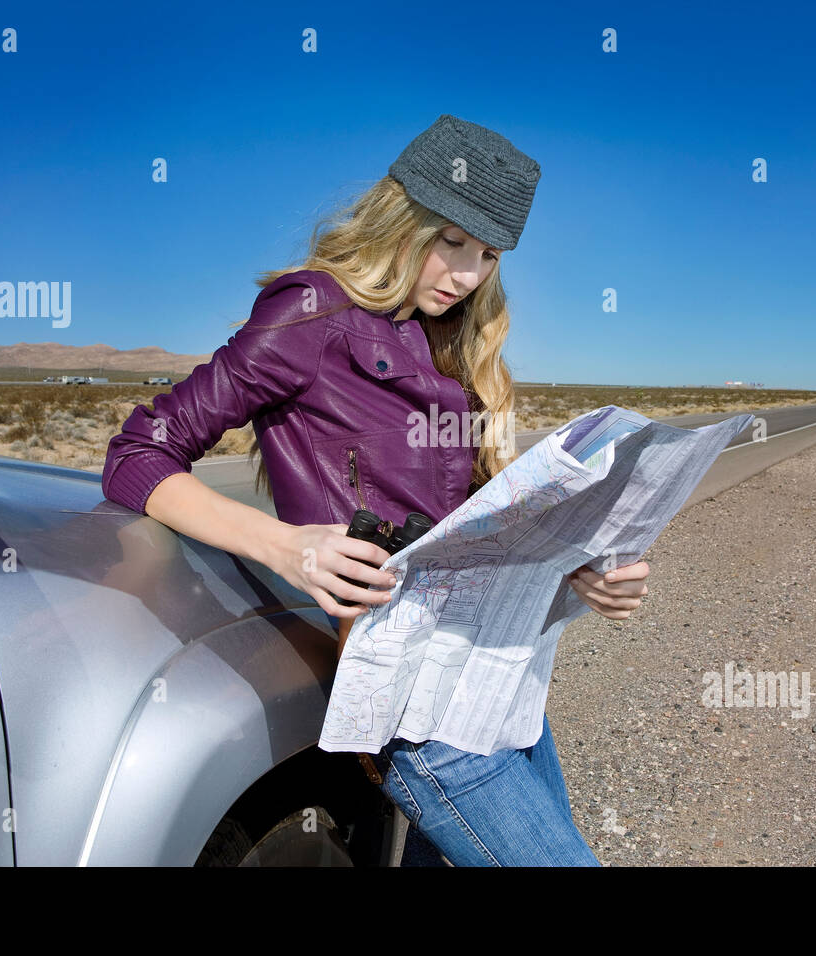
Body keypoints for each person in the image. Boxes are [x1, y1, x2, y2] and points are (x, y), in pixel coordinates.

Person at [101, 114, 650, 866]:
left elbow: (479, 525)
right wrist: (287, 547)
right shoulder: (310, 313)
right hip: (418, 708)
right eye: (451, 240)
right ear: (404, 214)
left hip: (498, 676)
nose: (465, 275)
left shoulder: (454, 342)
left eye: (488, 254)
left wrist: (580, 566)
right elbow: (139, 453)